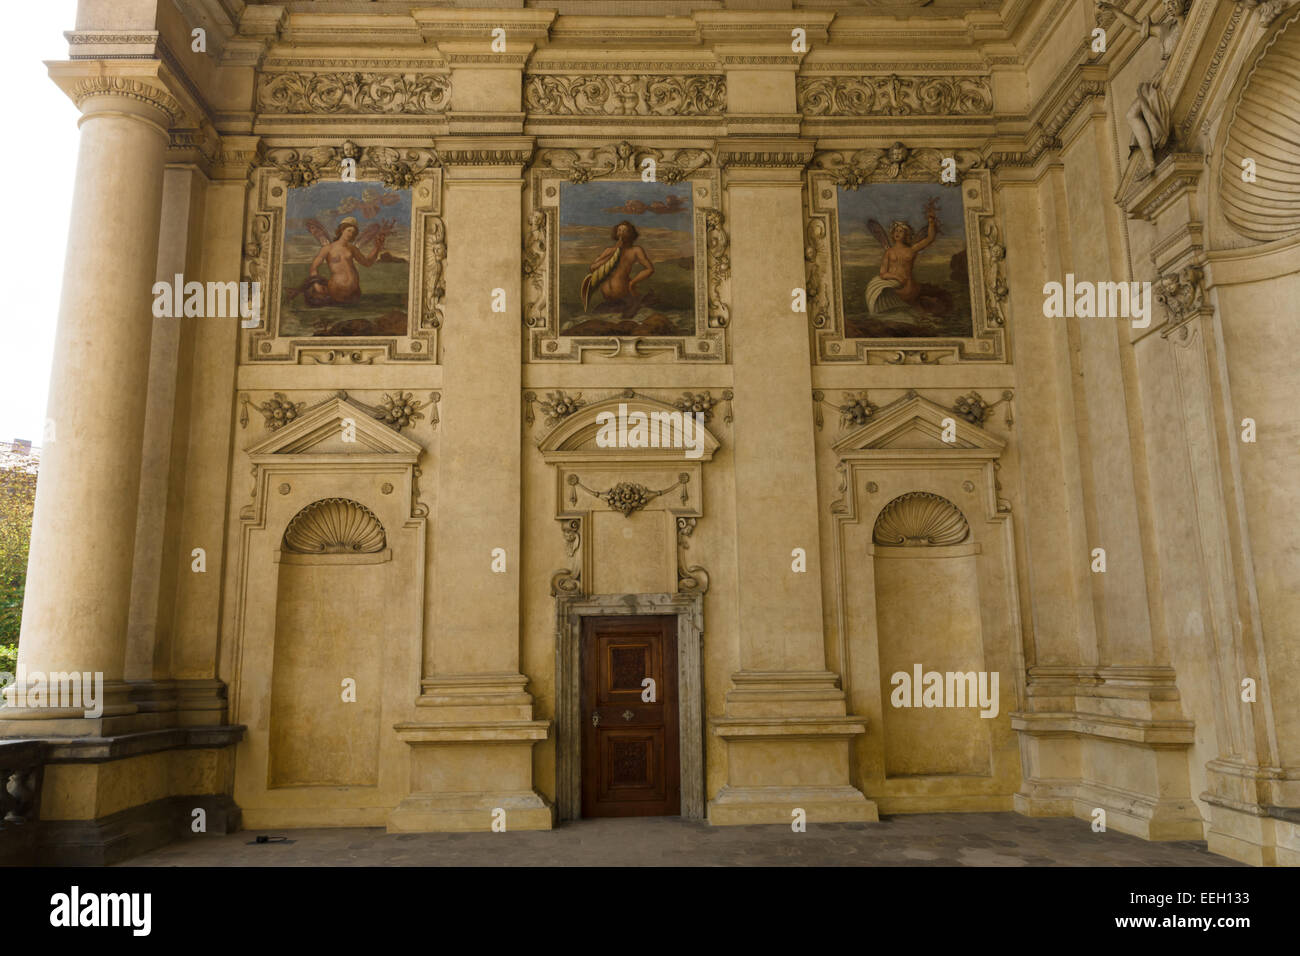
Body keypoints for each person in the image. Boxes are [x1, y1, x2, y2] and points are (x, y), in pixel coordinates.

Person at [1096, 0, 1188, 176]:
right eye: (1166, 3)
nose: (1170, 6)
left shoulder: (1191, 25)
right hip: (1162, 81)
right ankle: (1150, 161)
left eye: (1173, 2)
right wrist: (1115, 10)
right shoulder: (1164, 29)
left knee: (1137, 111)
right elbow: (1136, 26)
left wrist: (1164, 73)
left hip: (1169, 77)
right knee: (1131, 114)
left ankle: (1151, 158)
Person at [581, 220, 655, 317]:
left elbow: (649, 269)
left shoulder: (635, 250)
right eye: (619, 230)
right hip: (609, 300)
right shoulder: (608, 250)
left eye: (625, 230)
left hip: (624, 296)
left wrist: (633, 282)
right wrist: (614, 252)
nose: (621, 233)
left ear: (631, 234)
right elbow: (593, 268)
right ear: (616, 233)